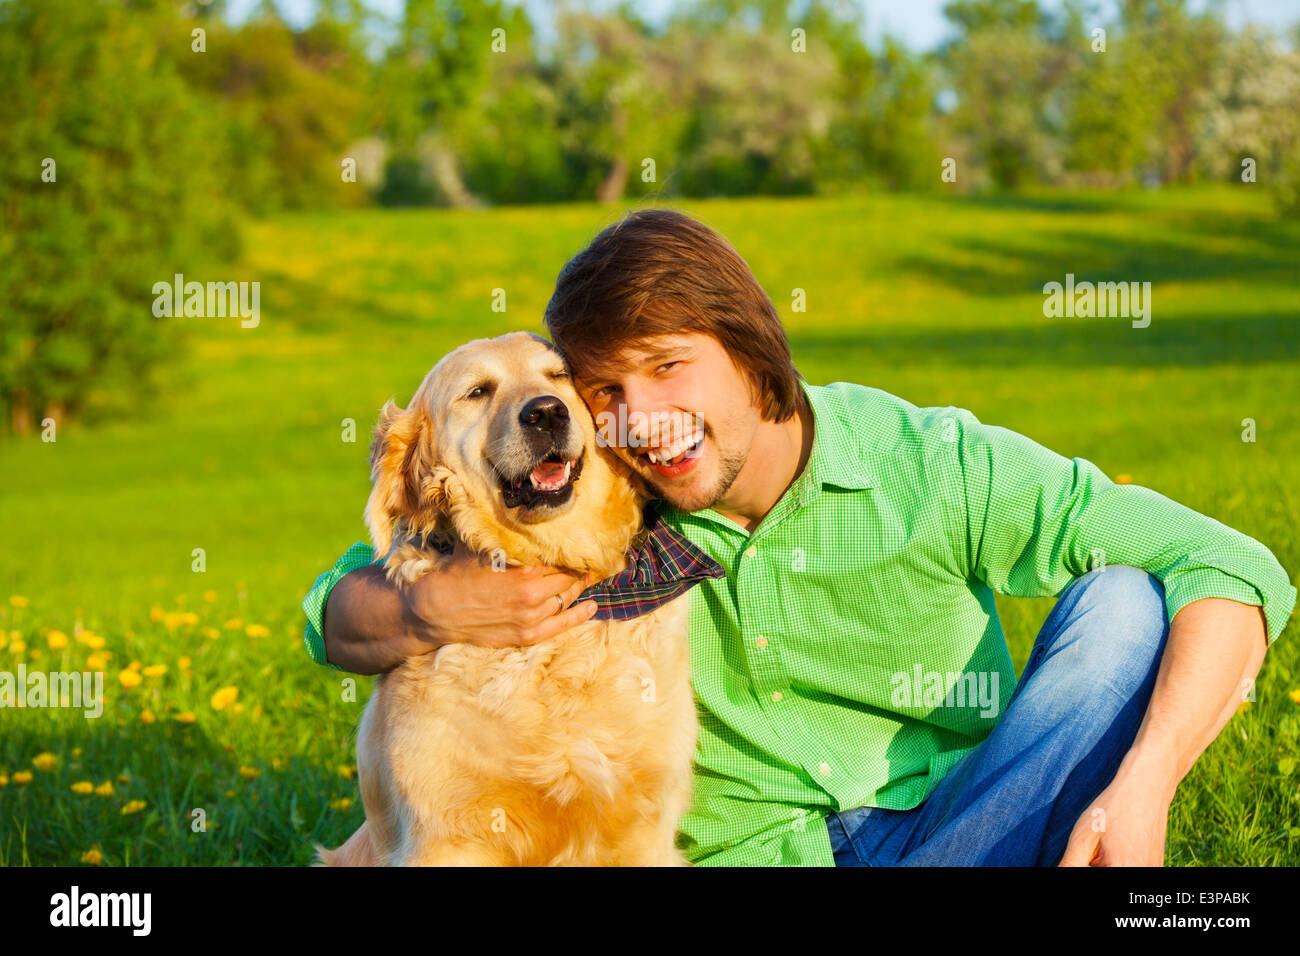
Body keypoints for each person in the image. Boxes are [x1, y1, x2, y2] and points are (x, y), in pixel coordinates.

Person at [301, 208, 1295, 866]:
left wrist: (1147, 782)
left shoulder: (928, 460)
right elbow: (337, 608)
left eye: (669, 366)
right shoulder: (611, 496)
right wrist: (428, 605)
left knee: (1124, 600)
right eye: (609, 391)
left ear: (747, 343)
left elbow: (1231, 564)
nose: (641, 418)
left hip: (968, 829)